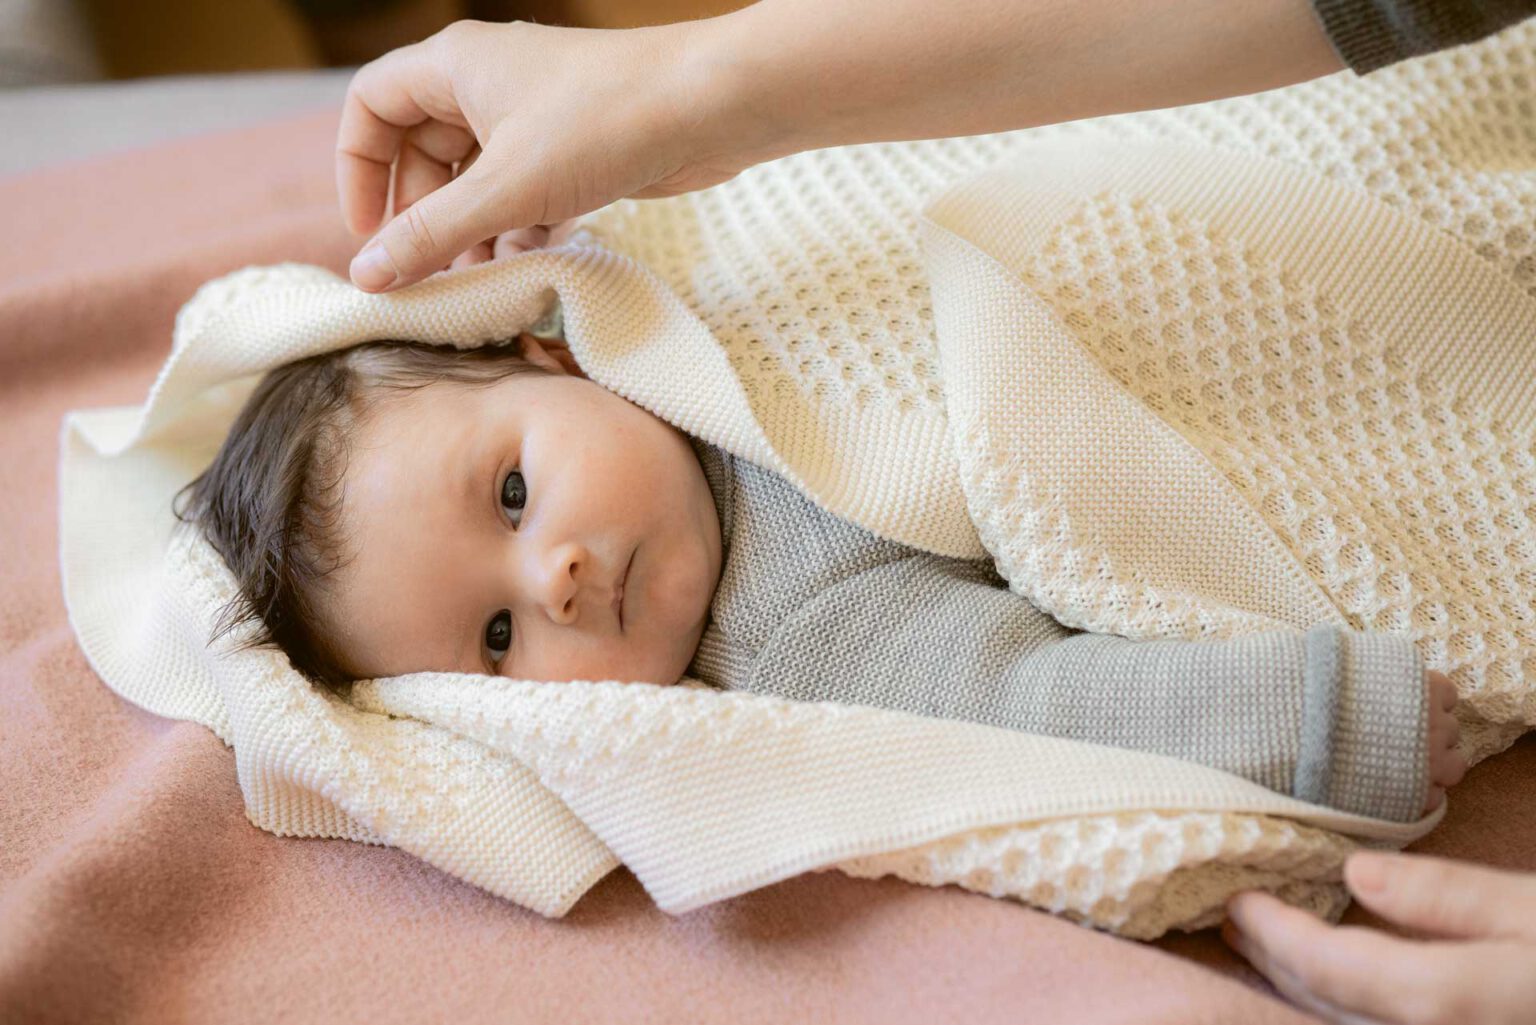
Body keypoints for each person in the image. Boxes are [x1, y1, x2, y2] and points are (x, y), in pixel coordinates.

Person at [316, 2, 1533, 1020]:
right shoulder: (802, 622)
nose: (556, 579)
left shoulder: (654, 259)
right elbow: (1032, 701)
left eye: (513, 495)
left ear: (545, 354)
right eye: (496, 638)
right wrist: (1319, 716)